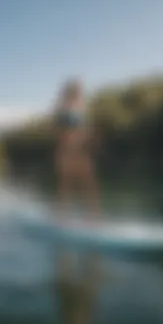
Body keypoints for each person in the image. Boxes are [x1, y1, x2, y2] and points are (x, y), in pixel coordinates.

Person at [54, 78, 101, 223]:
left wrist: (88, 139)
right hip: (68, 151)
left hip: (80, 151)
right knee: (67, 184)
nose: (80, 92)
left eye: (79, 90)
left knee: (88, 184)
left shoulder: (80, 108)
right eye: (77, 90)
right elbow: (62, 132)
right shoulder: (65, 108)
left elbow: (82, 130)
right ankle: (63, 217)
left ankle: (93, 219)